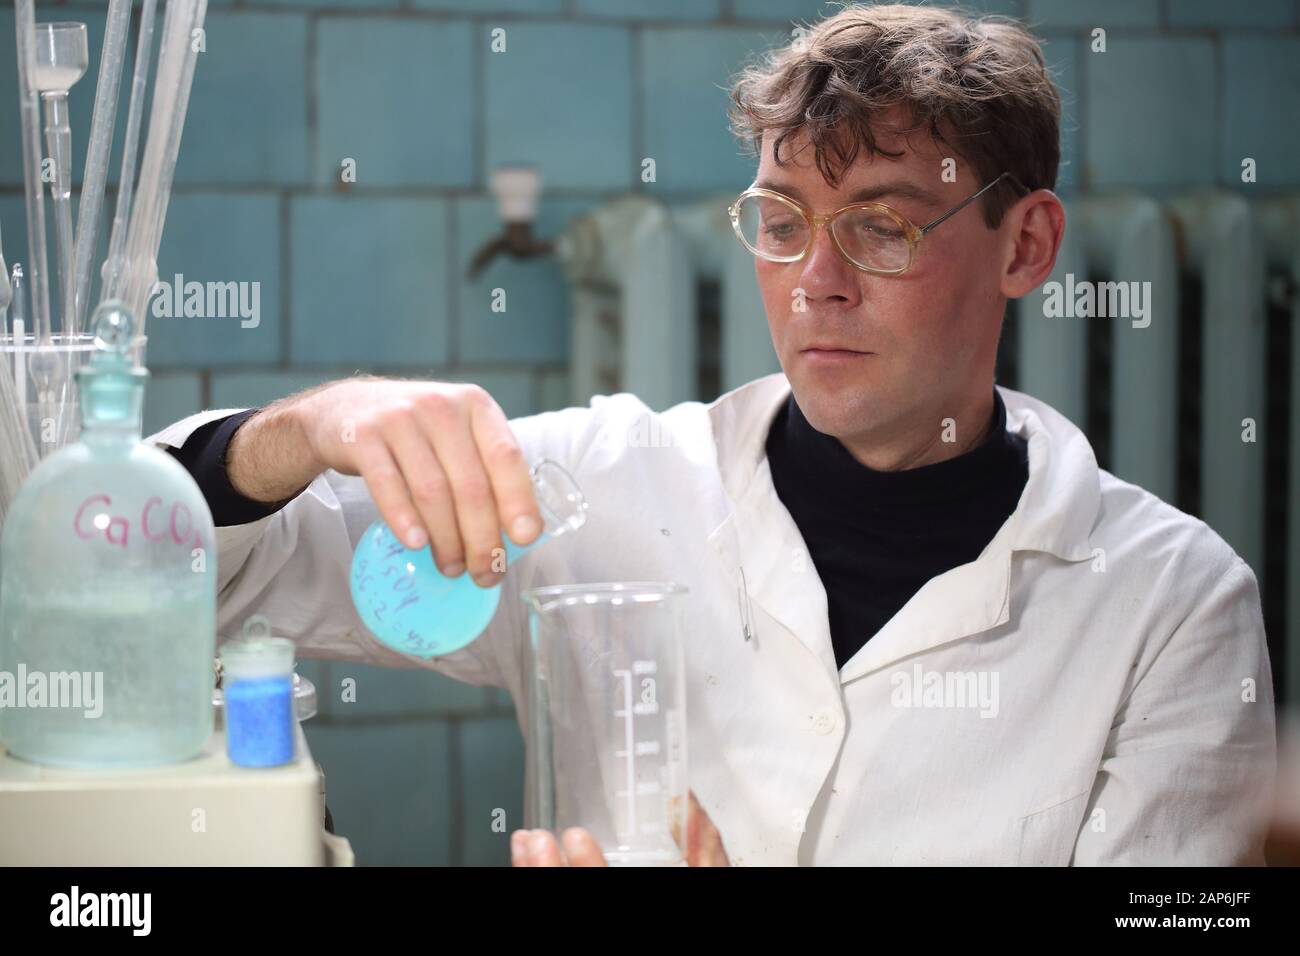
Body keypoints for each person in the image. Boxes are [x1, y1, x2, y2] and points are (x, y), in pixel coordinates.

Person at [151, 3, 1275, 866]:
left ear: (1025, 246)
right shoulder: (596, 487)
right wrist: (304, 427)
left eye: (880, 225)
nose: (814, 283)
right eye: (781, 222)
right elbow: (167, 571)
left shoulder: (1172, 607)